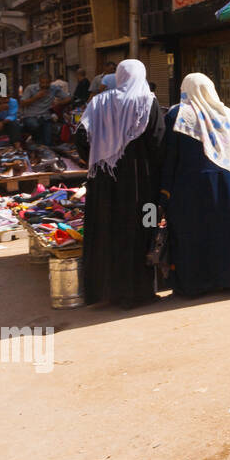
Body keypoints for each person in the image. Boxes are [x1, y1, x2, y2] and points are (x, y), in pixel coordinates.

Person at [75, 60, 165, 308]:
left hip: (103, 182)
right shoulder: (148, 101)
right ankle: (139, 292)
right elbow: (158, 141)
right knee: (143, 227)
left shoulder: (98, 102)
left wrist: (99, 155)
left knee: (105, 229)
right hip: (141, 183)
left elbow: (81, 135)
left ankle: (103, 292)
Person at [159, 73, 230, 299]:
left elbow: (169, 155)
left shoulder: (178, 115)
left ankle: (195, 284)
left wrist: (164, 190)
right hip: (228, 184)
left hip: (190, 186)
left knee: (192, 233)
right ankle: (228, 279)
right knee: (224, 230)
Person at [18, 71, 68, 147]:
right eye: (42, 83)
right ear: (39, 81)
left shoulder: (54, 89)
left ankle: (43, 149)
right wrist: (36, 97)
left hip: (45, 116)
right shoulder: (30, 88)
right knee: (34, 125)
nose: (44, 85)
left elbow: (68, 98)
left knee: (48, 142)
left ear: (50, 82)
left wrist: (58, 103)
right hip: (31, 116)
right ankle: (34, 141)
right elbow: (22, 103)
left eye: (47, 83)